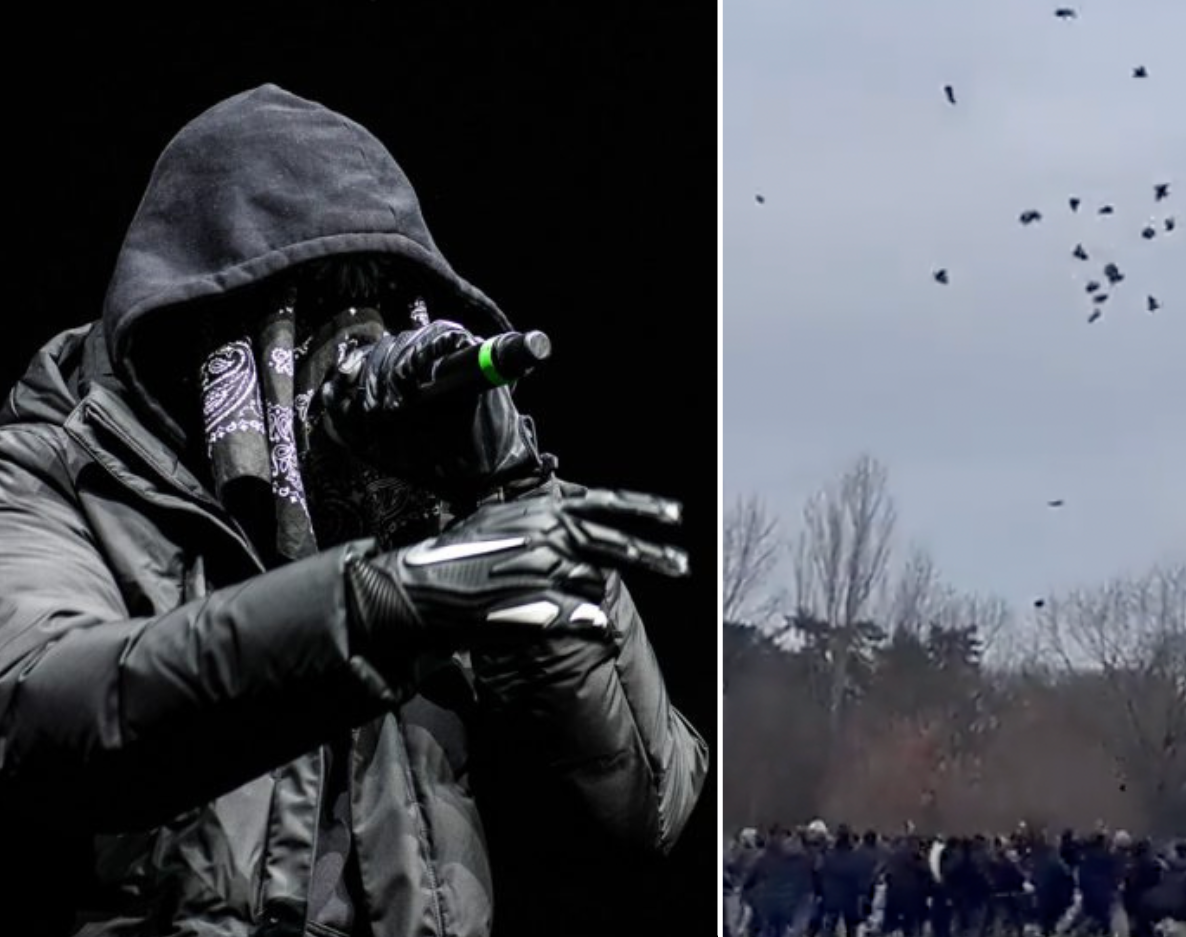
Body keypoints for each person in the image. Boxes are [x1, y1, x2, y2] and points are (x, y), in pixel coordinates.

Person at [0, 84, 709, 935]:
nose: (355, 350)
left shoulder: (428, 513)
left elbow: (648, 808)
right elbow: (45, 720)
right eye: (320, 314)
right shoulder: (53, 473)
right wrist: (372, 606)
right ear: (207, 326)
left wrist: (511, 486)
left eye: (385, 310)